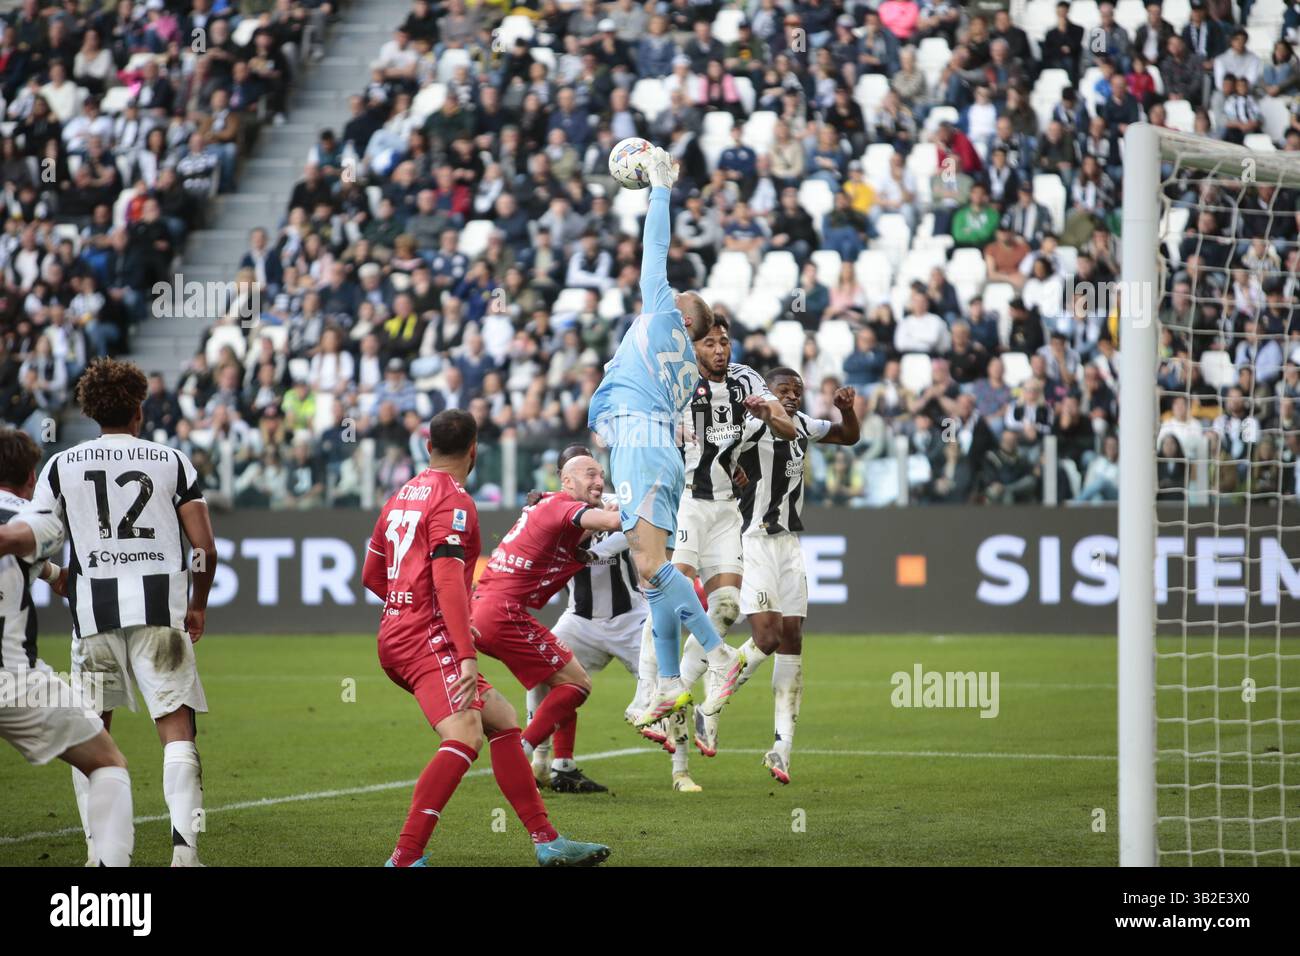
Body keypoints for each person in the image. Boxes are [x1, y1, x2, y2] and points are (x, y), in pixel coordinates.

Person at [587, 147, 784, 726]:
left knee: (650, 568)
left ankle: (720, 657)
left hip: (643, 444)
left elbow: (655, 246)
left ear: (684, 318)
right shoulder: (686, 361)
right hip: (662, 452)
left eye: (681, 300)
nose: (672, 295)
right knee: (654, 578)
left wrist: (661, 186)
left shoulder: (661, 314)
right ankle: (669, 682)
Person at [361, 409, 609, 867]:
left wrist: (405, 605)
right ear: (474, 449)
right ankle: (404, 855)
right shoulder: (454, 501)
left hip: (398, 631)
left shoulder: (400, 496)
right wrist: (464, 652)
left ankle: (547, 840)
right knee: (464, 734)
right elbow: (450, 582)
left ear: (428, 445)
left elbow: (372, 574)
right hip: (426, 639)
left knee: (503, 719)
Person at [0, 359, 216, 867]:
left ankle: (101, 852)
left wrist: (58, 578)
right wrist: (199, 604)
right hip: (161, 614)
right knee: (176, 730)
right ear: (139, 408)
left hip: (92, 614)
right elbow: (203, 547)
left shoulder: (60, 465)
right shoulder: (172, 461)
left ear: (91, 410)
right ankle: (185, 855)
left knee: (92, 735)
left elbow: (36, 536)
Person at [0, 428, 135, 867]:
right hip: (15, 679)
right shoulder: (38, 515)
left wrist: (54, 575)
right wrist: (57, 576)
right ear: (31, 475)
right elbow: (31, 539)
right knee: (106, 760)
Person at [723, 369, 860, 784]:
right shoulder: (749, 425)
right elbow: (713, 458)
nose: (794, 396)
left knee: (792, 637)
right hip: (753, 538)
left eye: (798, 390)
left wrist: (848, 411)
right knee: (766, 635)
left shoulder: (802, 426)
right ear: (767, 392)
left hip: (789, 543)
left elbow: (848, 437)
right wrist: (733, 473)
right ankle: (715, 694)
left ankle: (782, 748)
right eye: (784, 390)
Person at [670, 313, 792, 757]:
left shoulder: (758, 404)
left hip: (763, 532)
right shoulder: (692, 393)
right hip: (727, 520)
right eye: (783, 392)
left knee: (772, 632)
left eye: (726, 342)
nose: (787, 399)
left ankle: (707, 704)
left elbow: (823, 431)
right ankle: (674, 691)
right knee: (747, 620)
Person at [470, 452, 625, 785]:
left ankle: (558, 766)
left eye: (600, 474)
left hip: (484, 612)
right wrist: (654, 495)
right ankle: (521, 751)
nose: (598, 480)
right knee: (577, 684)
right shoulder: (563, 506)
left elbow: (577, 535)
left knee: (563, 682)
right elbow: (616, 524)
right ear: (566, 481)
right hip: (502, 613)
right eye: (589, 474)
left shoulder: (548, 506)